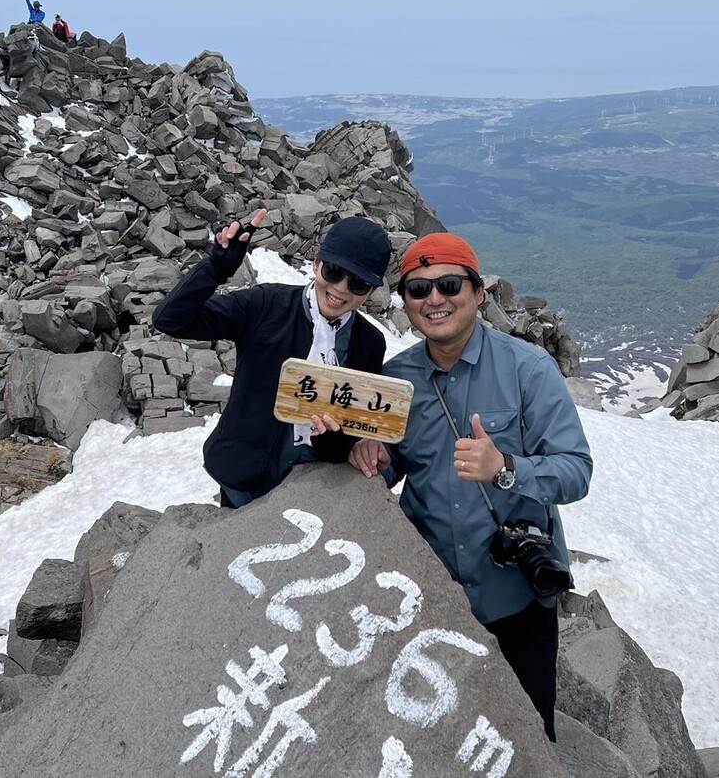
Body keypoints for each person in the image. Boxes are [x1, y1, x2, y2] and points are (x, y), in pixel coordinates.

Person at [348, 233, 592, 740]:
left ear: (479, 293)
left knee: (526, 738)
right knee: (443, 742)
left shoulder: (528, 370)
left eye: (449, 284)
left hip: (516, 599)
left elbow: (575, 470)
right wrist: (371, 457)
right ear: (406, 305)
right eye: (418, 290)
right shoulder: (398, 381)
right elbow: (391, 468)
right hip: (432, 599)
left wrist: (506, 467)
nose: (434, 299)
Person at [153, 211, 392, 508]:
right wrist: (216, 268)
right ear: (316, 263)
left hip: (314, 488)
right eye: (333, 271)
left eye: (358, 283)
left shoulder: (369, 343)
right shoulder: (265, 304)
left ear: (371, 290)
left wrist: (333, 438)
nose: (341, 288)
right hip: (243, 479)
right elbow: (170, 320)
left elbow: (350, 426)